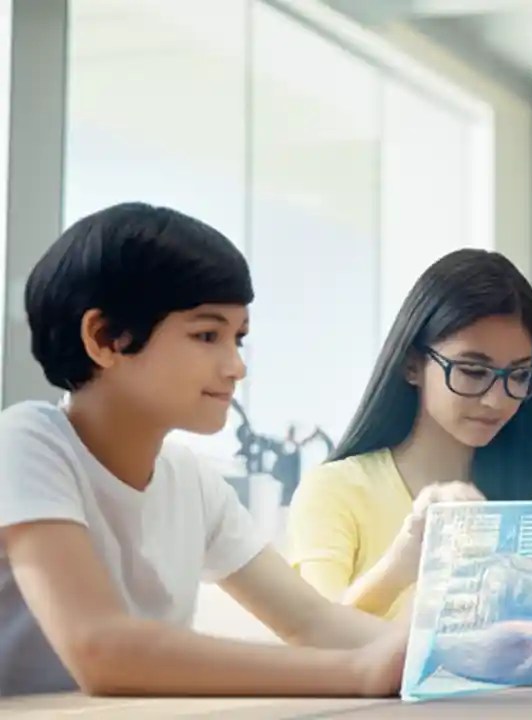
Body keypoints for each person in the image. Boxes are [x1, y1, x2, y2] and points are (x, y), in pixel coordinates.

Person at [0, 202, 405, 698]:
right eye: (207, 335)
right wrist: (359, 672)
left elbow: (312, 621)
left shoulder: (189, 479)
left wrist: (455, 654)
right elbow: (99, 648)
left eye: (238, 338)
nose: (236, 366)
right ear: (104, 338)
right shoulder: (27, 441)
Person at [288, 249, 532, 671]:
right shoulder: (335, 490)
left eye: (519, 375)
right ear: (413, 364)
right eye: (472, 371)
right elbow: (313, 641)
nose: (497, 399)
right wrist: (402, 563)